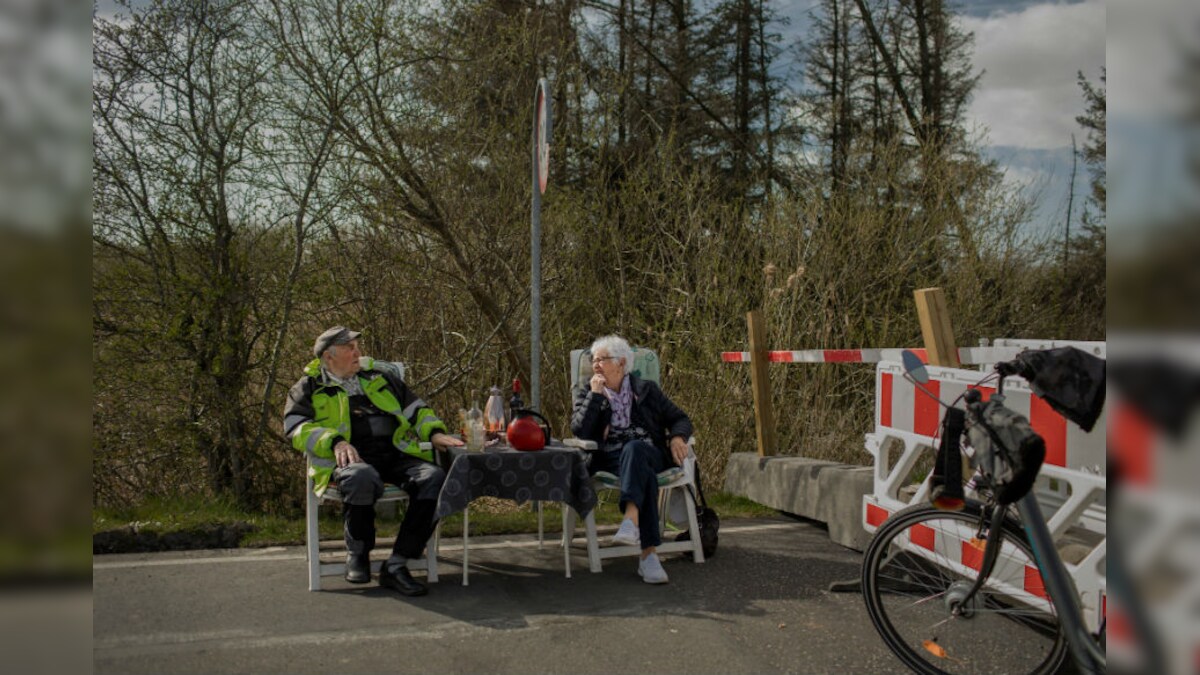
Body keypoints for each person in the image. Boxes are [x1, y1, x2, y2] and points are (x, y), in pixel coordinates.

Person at [283, 326, 463, 596]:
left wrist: (434, 432)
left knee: (434, 478)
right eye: (350, 348)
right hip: (350, 459)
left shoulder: (380, 377)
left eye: (357, 347)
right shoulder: (308, 387)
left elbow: (417, 409)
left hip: (394, 453)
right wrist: (334, 442)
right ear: (329, 356)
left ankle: (398, 563)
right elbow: (296, 428)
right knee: (361, 477)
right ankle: (358, 553)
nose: (358, 353)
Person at [570, 334, 693, 584]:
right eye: (594, 360)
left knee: (636, 449)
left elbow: (680, 418)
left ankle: (631, 520)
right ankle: (648, 556)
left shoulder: (646, 390)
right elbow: (580, 430)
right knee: (643, 473)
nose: (596, 365)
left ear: (622, 363)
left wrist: (677, 437)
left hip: (649, 453)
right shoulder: (589, 392)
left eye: (602, 359)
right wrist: (596, 396)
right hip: (610, 458)